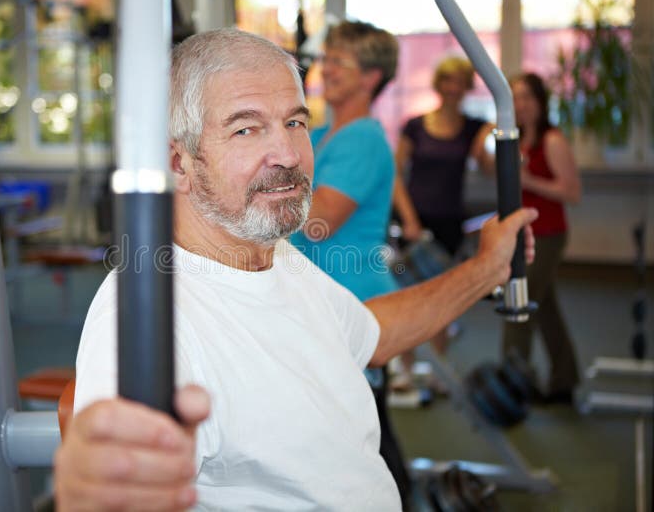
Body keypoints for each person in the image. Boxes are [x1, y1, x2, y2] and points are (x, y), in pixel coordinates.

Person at [54, 28, 536, 511]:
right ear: (177, 162)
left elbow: (372, 333)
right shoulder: (146, 321)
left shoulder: (274, 253)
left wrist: (487, 268)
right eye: (246, 129)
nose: (288, 155)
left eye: (295, 123)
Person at [289, 20, 414, 507]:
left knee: (368, 442)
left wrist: (254, 201)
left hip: (353, 295)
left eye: (341, 61)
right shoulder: (320, 132)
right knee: (346, 435)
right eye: (328, 58)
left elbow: (317, 223)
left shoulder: (363, 139)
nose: (327, 68)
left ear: (371, 76)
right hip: (316, 299)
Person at [391, 56, 495, 390]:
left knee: (441, 298)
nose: (452, 88)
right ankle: (406, 370)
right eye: (447, 80)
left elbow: (489, 168)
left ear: (466, 87)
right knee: (406, 296)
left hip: (450, 223)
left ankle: (437, 369)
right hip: (413, 221)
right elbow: (395, 172)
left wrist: (493, 131)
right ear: (439, 84)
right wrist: (408, 219)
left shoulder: (472, 127)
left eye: (459, 81)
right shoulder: (415, 125)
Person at [503, 72, 581, 403]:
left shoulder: (552, 140)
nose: (521, 105)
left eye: (527, 98)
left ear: (541, 102)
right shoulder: (515, 140)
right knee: (545, 308)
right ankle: (565, 380)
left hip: (547, 235)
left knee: (518, 304)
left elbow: (572, 192)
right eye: (515, 98)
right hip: (522, 234)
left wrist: (528, 180)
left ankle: (512, 386)